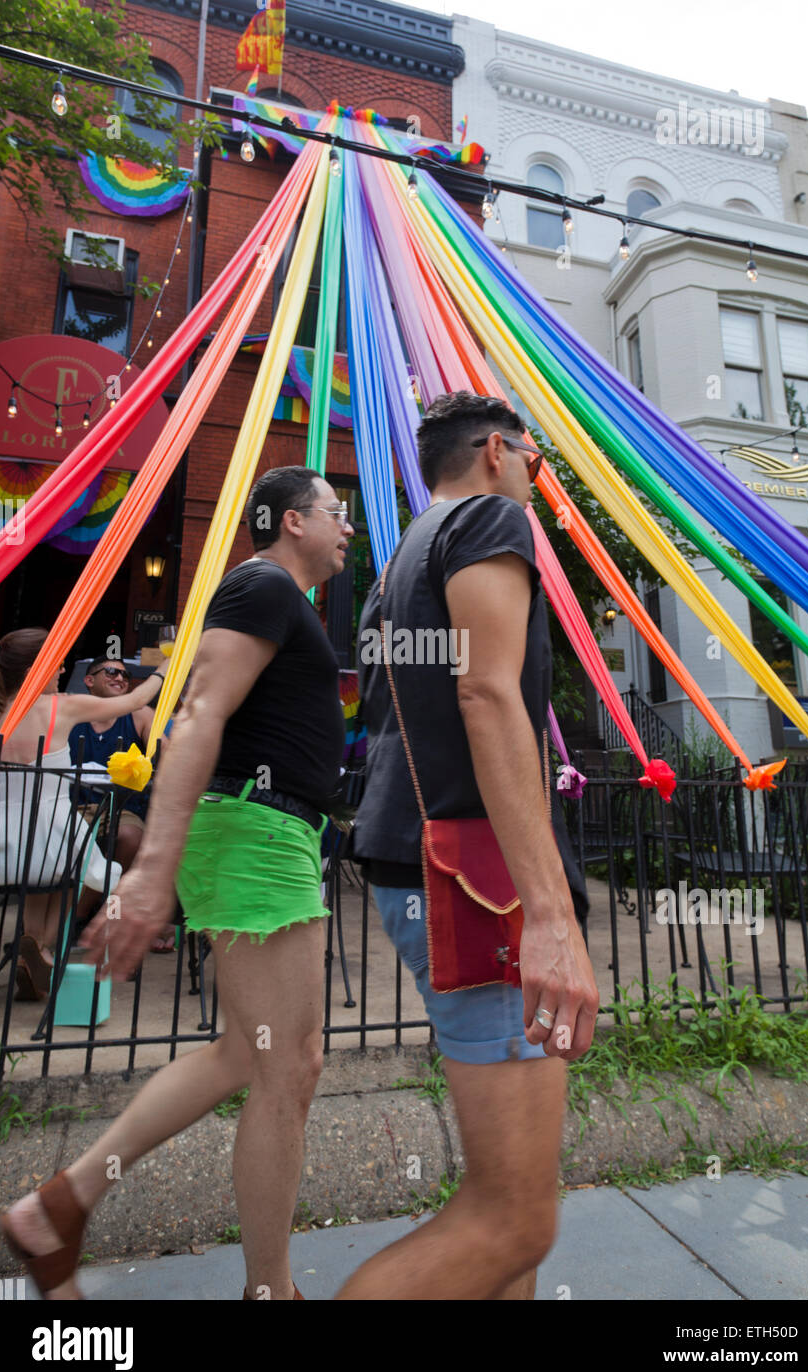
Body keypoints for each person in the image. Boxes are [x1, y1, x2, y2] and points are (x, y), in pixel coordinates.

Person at [0, 466, 353, 1300]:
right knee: (288, 1065)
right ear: (294, 521)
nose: (348, 528)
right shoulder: (263, 584)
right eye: (336, 513)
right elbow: (195, 715)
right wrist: (152, 868)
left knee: (251, 1052)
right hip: (257, 830)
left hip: (273, 831)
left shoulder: (278, 600)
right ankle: (271, 1291)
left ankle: (62, 1208)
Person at [341, 392, 599, 1301]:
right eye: (533, 459)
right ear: (496, 451)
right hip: (477, 883)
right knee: (514, 1219)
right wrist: (553, 916)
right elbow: (487, 697)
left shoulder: (397, 558)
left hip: (419, 864)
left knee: (508, 1238)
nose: (536, 479)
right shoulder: (492, 519)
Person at [0, 630, 169, 1000]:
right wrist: (165, 669)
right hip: (51, 844)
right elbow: (135, 699)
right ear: (37, 669)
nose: (63, 668)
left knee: (60, 857)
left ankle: (33, 946)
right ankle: (41, 944)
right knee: (78, 861)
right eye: (57, 662)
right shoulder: (60, 707)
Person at [69, 654, 172, 951]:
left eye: (126, 677)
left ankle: (83, 913)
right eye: (112, 672)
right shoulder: (73, 711)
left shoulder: (138, 713)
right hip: (74, 806)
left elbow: (166, 748)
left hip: (122, 807)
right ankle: (56, 924)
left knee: (129, 837)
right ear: (89, 680)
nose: (120, 679)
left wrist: (162, 755)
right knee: (60, 839)